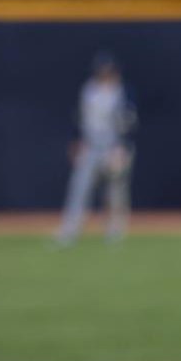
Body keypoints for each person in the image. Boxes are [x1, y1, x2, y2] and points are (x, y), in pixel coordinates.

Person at [55, 52, 136, 247]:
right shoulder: (89, 91)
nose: (105, 74)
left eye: (108, 71)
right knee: (79, 187)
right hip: (91, 143)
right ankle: (70, 230)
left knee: (115, 191)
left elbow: (129, 122)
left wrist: (122, 148)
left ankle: (115, 230)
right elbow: (79, 119)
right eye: (102, 71)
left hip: (113, 144)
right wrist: (76, 141)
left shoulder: (122, 92)